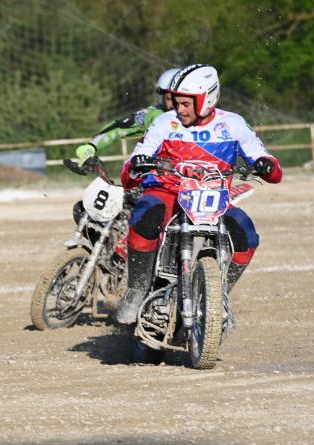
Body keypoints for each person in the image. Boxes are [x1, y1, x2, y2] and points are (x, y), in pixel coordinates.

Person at [115, 64, 283, 324]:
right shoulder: (164, 123)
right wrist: (135, 166)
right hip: (167, 192)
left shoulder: (234, 124)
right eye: (176, 103)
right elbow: (130, 169)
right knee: (144, 217)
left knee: (246, 235)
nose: (178, 109)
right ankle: (136, 290)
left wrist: (267, 165)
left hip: (213, 199)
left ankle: (217, 296)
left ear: (207, 100)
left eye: (185, 104)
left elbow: (271, 166)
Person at [70, 67, 181, 170]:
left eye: (181, 99)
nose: (175, 104)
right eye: (169, 98)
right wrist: (92, 146)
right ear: (162, 97)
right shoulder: (154, 114)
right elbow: (119, 127)